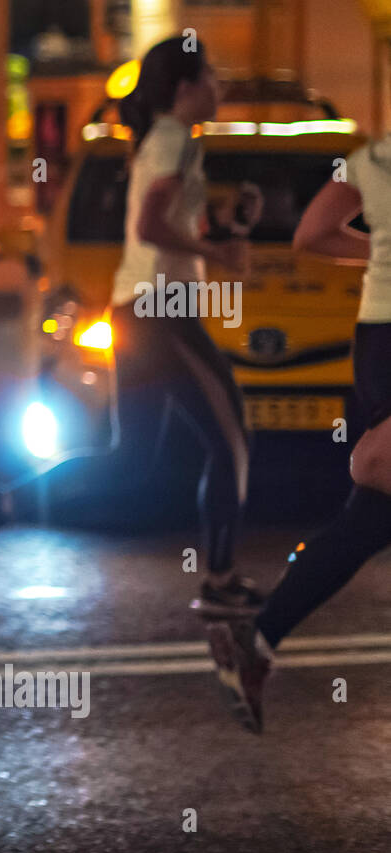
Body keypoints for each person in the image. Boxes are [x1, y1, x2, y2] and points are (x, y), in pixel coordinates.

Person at [0, 37, 262, 618]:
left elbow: (169, 220)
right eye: (211, 77)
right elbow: (151, 226)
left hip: (140, 307)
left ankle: (1, 504)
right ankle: (220, 580)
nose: (219, 88)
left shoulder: (163, 141)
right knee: (231, 437)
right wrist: (213, 252)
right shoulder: (174, 139)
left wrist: (229, 222)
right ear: (184, 88)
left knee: (131, 457)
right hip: (161, 309)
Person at [208, 132, 390, 733]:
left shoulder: (370, 156)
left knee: (374, 513)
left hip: (376, 341)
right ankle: (255, 637)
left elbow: (311, 235)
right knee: (375, 483)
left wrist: (381, 251)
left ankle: (256, 640)